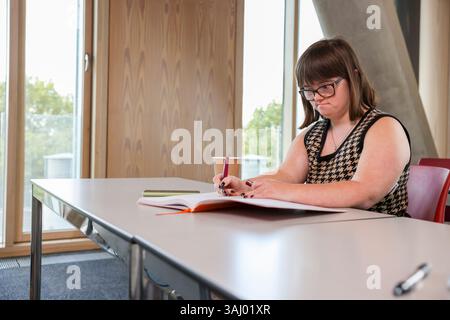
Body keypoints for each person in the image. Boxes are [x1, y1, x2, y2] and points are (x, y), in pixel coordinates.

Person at [213, 38, 411, 217]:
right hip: (329, 236)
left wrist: (282, 191)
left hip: (381, 241)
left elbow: (363, 193)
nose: (316, 98)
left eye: (325, 87)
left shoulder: (384, 128)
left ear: (353, 78)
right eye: (308, 90)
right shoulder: (311, 136)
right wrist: (246, 186)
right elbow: (286, 176)